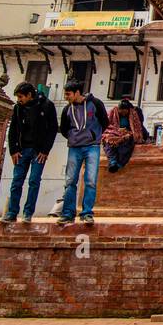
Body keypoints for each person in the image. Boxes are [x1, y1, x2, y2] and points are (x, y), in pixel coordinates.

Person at [3, 81, 58, 224]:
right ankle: (12, 212)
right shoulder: (17, 109)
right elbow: (13, 130)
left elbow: (52, 129)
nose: (19, 100)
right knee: (16, 182)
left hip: (38, 151)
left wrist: (45, 150)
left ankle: (28, 213)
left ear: (29, 95)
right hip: (22, 150)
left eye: (21, 97)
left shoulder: (47, 106)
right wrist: (13, 150)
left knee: (34, 181)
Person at [57, 80, 108, 225]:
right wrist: (74, 138)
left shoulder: (95, 104)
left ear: (77, 93)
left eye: (68, 94)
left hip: (92, 146)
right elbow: (64, 128)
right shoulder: (67, 109)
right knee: (70, 181)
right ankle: (68, 213)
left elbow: (105, 122)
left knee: (90, 180)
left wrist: (93, 136)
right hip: (75, 147)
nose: (66, 97)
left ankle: (86, 213)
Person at [103, 97, 146, 174]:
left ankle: (120, 163)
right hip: (114, 132)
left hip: (128, 133)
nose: (123, 112)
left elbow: (136, 127)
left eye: (125, 110)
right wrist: (117, 129)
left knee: (128, 142)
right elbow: (107, 125)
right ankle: (112, 161)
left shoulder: (133, 114)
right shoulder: (112, 112)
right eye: (121, 110)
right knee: (109, 141)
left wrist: (126, 131)